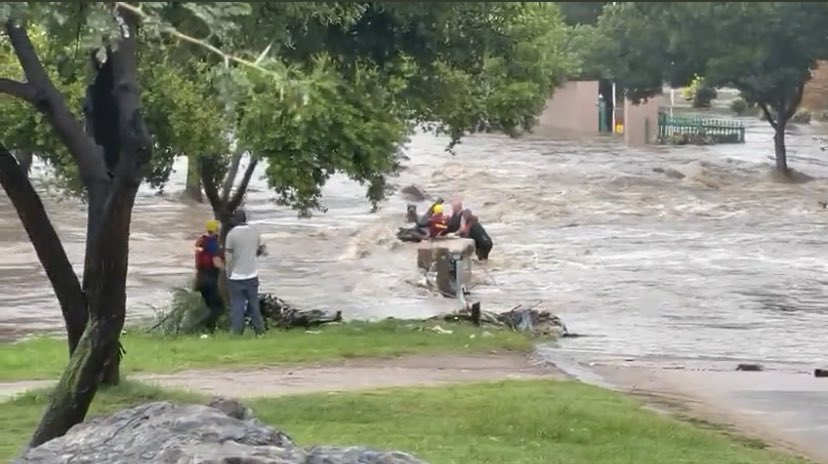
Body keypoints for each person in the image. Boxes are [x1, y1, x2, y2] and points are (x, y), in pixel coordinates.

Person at [224, 209, 267, 336]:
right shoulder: (255, 232)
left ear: (235, 220)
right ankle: (259, 332)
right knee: (254, 305)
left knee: (237, 305)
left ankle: (237, 332)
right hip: (252, 275)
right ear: (245, 219)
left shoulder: (231, 235)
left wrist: (229, 273)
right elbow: (262, 251)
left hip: (236, 276)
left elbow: (229, 258)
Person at [194, 219, 224, 333]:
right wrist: (227, 271)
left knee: (212, 307)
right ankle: (202, 327)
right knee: (218, 307)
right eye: (218, 228)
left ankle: (209, 331)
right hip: (210, 279)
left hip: (200, 279)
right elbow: (216, 262)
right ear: (215, 230)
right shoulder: (212, 243)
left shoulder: (202, 241)